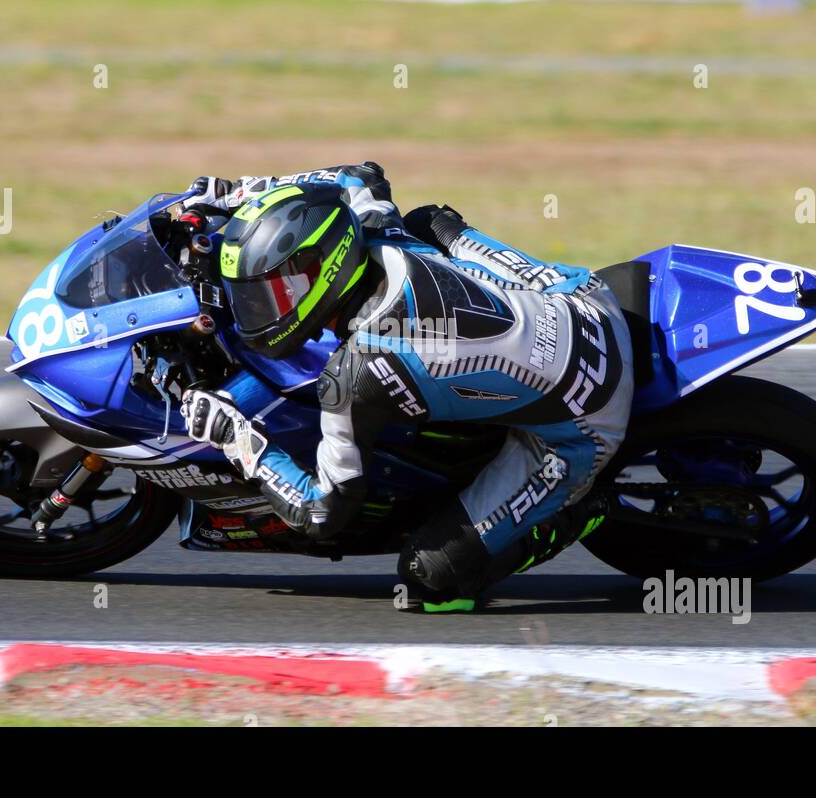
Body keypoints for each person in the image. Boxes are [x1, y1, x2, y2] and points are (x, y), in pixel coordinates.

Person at [178, 162, 634, 612]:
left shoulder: (356, 378)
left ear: (324, 269)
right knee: (427, 223)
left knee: (431, 575)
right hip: (582, 296)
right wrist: (238, 192)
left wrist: (238, 440)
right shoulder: (373, 223)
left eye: (275, 293)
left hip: (587, 423)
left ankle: (582, 510)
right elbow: (358, 173)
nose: (258, 310)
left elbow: (321, 513)